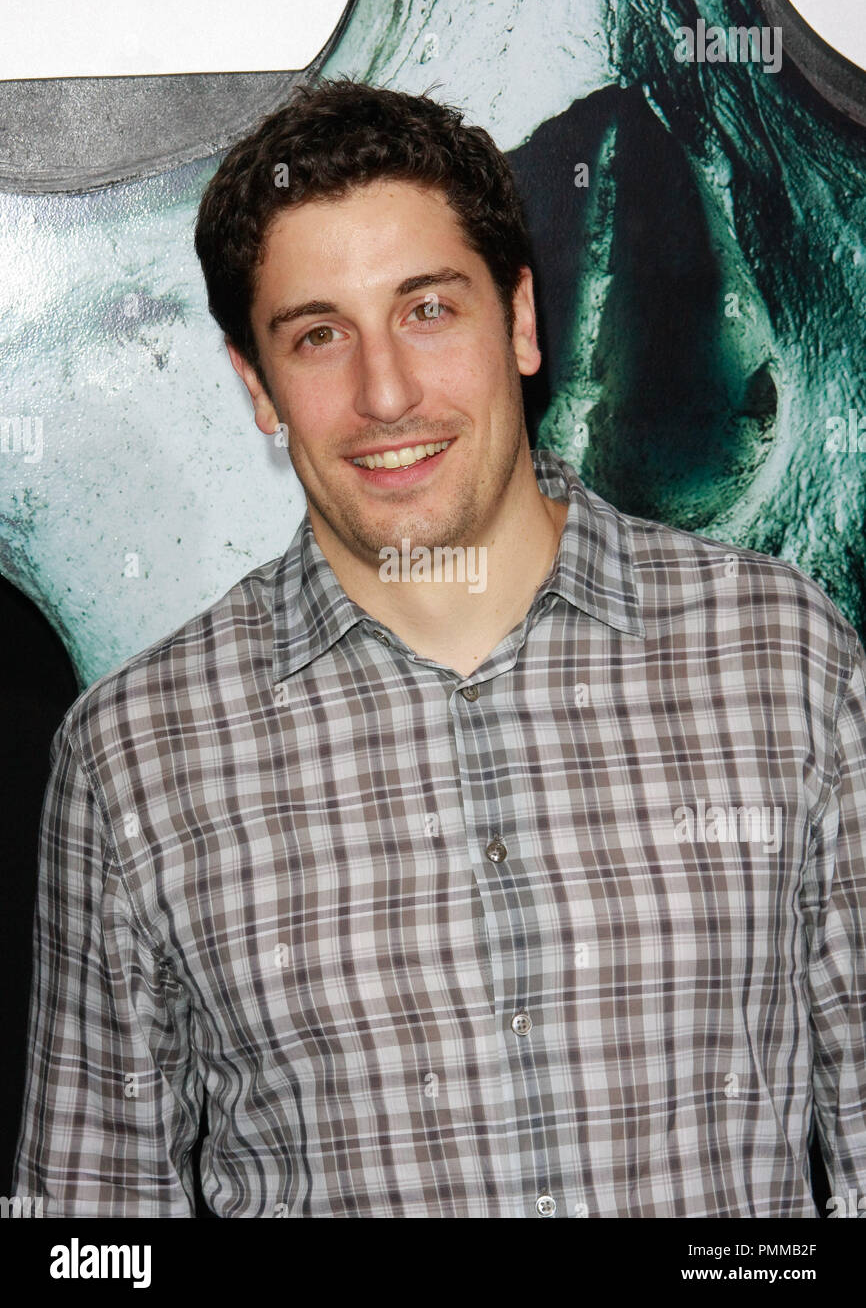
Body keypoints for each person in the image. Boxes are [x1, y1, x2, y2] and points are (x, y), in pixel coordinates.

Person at [11, 78, 866, 1218]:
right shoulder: (134, 761)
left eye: (426, 310)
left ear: (518, 319)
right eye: (317, 336)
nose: (385, 393)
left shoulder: (785, 662)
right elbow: (89, 1232)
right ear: (256, 387)